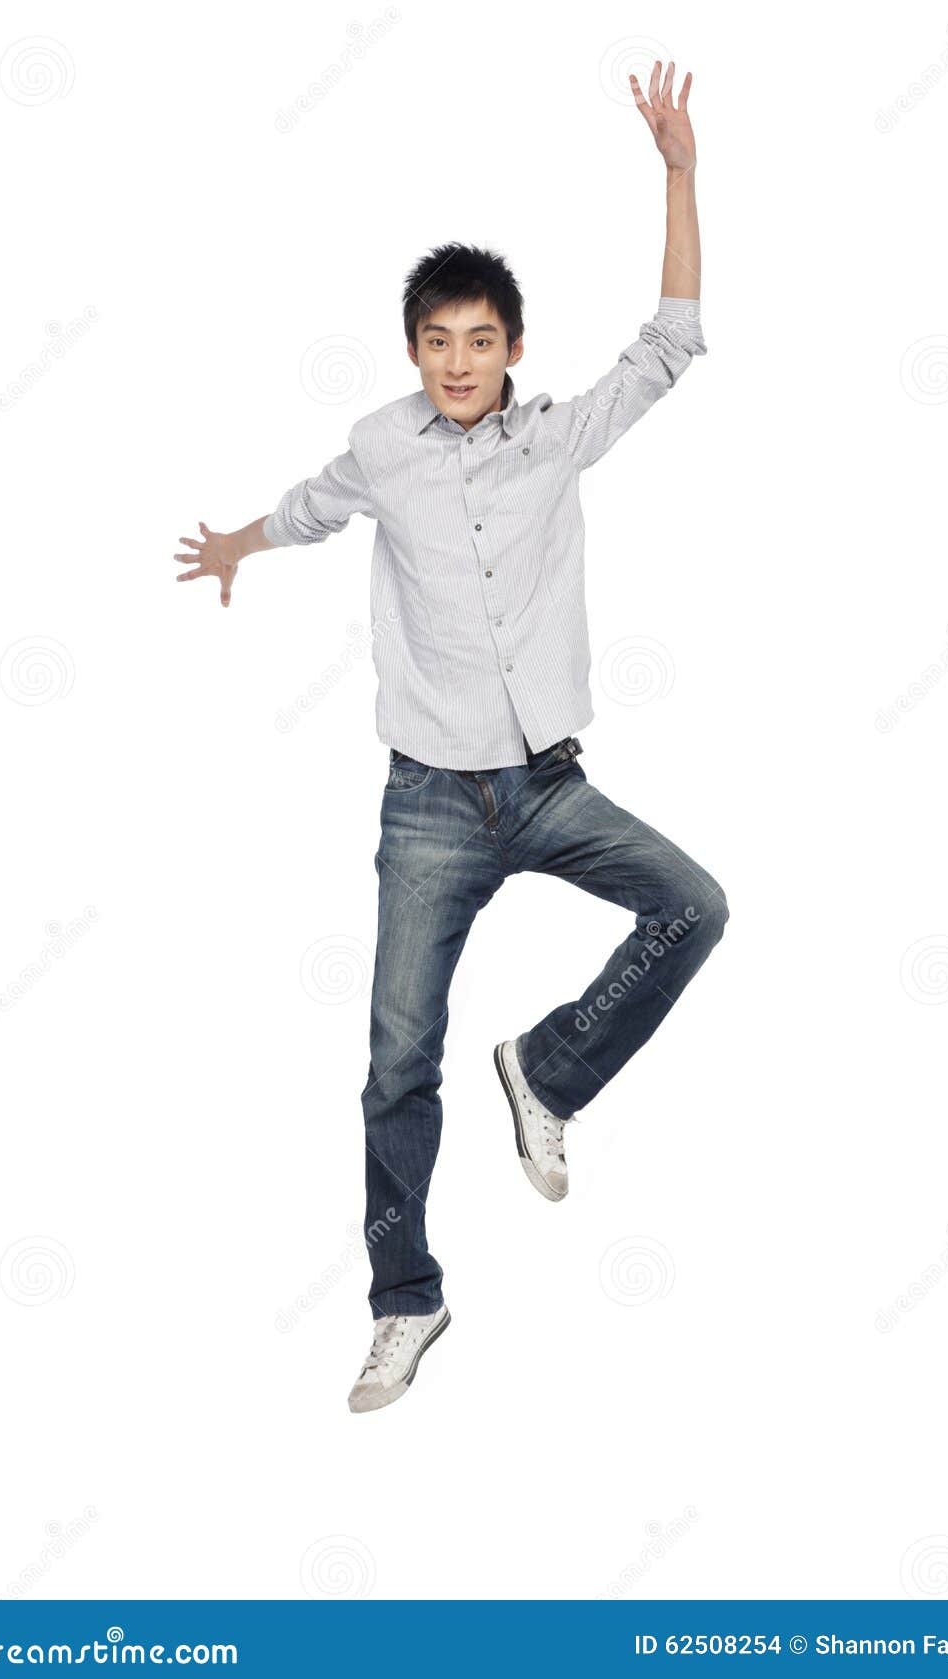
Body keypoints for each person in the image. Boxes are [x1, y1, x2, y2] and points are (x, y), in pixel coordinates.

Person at [175, 61, 727, 1413]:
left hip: (547, 784)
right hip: (428, 800)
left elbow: (670, 344)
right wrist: (241, 541)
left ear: (514, 348)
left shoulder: (556, 439)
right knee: (395, 1059)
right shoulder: (383, 445)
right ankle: (404, 1301)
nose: (461, 361)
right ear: (414, 349)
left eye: (483, 339)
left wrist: (677, 172)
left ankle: (548, 1068)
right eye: (439, 341)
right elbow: (311, 504)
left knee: (694, 905)